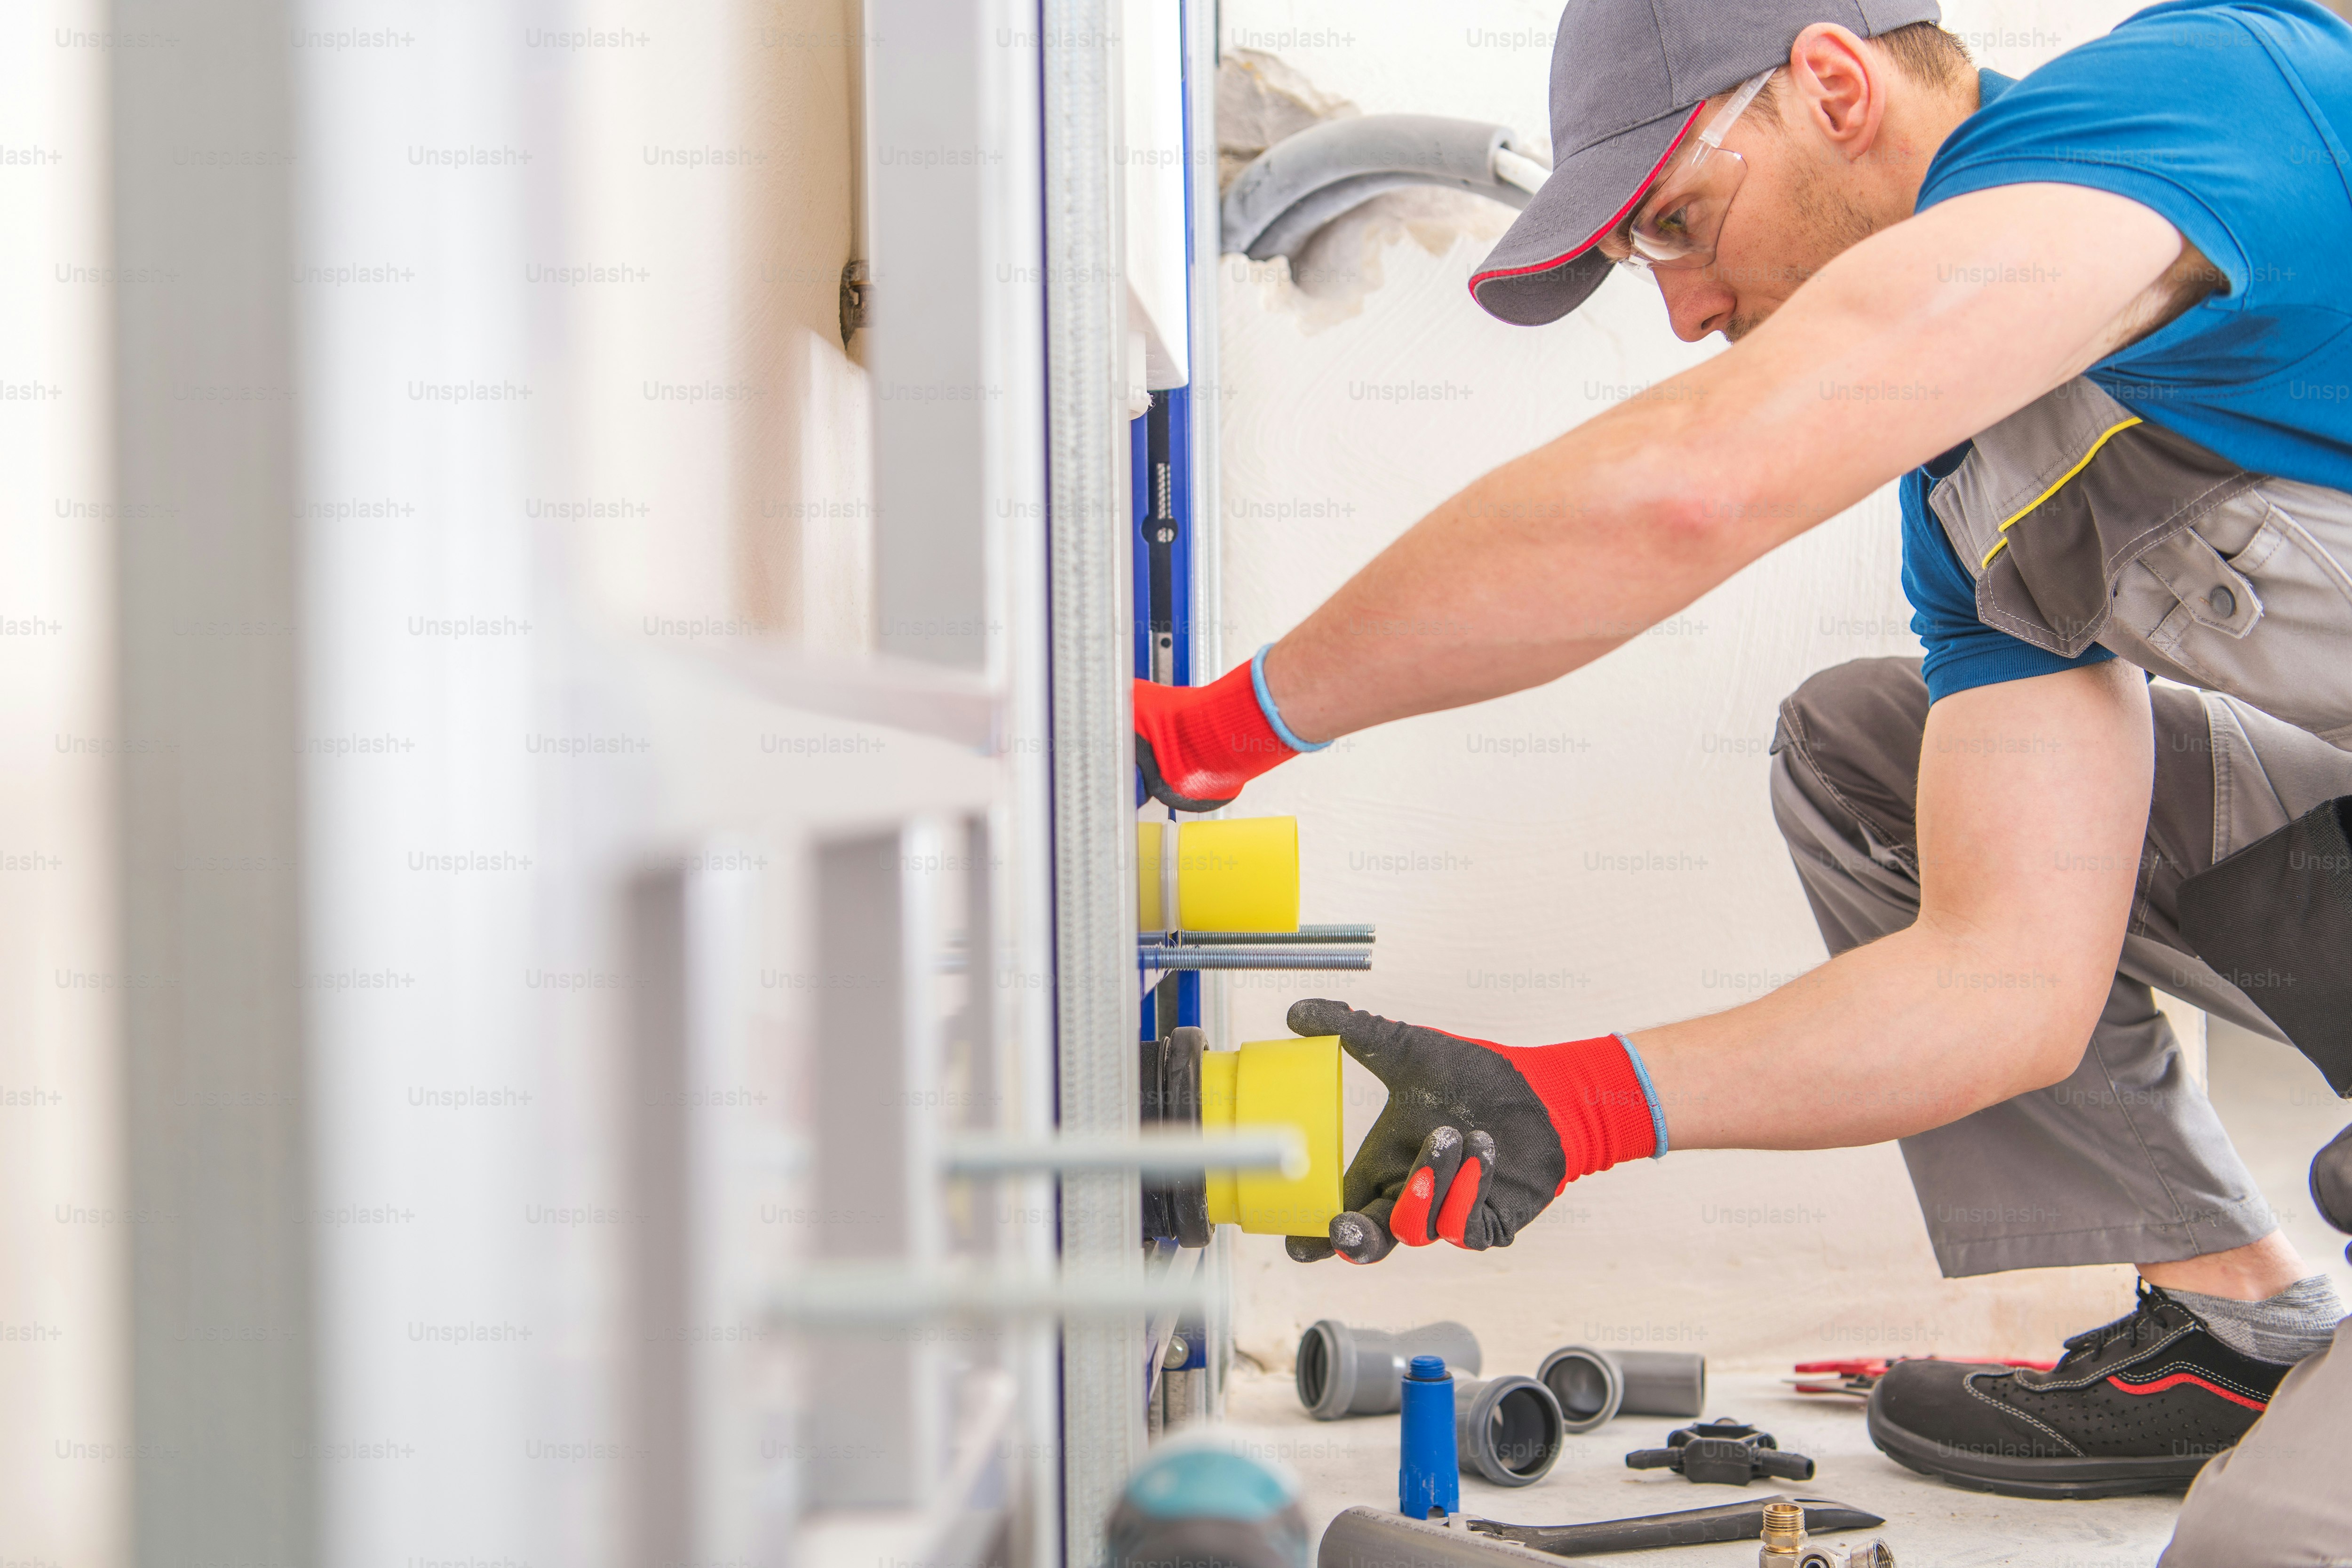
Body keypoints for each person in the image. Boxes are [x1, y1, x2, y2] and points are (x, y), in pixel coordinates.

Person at [1134, 0, 2352, 1557]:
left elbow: (1691, 484)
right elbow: (2003, 986)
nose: (1690, 312)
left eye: (1683, 230)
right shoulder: (1980, 495)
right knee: (1872, 750)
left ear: (1833, 86)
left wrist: (1214, 729)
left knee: (2271, 1555)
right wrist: (1571, 1105)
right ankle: (2236, 1337)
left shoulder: (2198, 101)